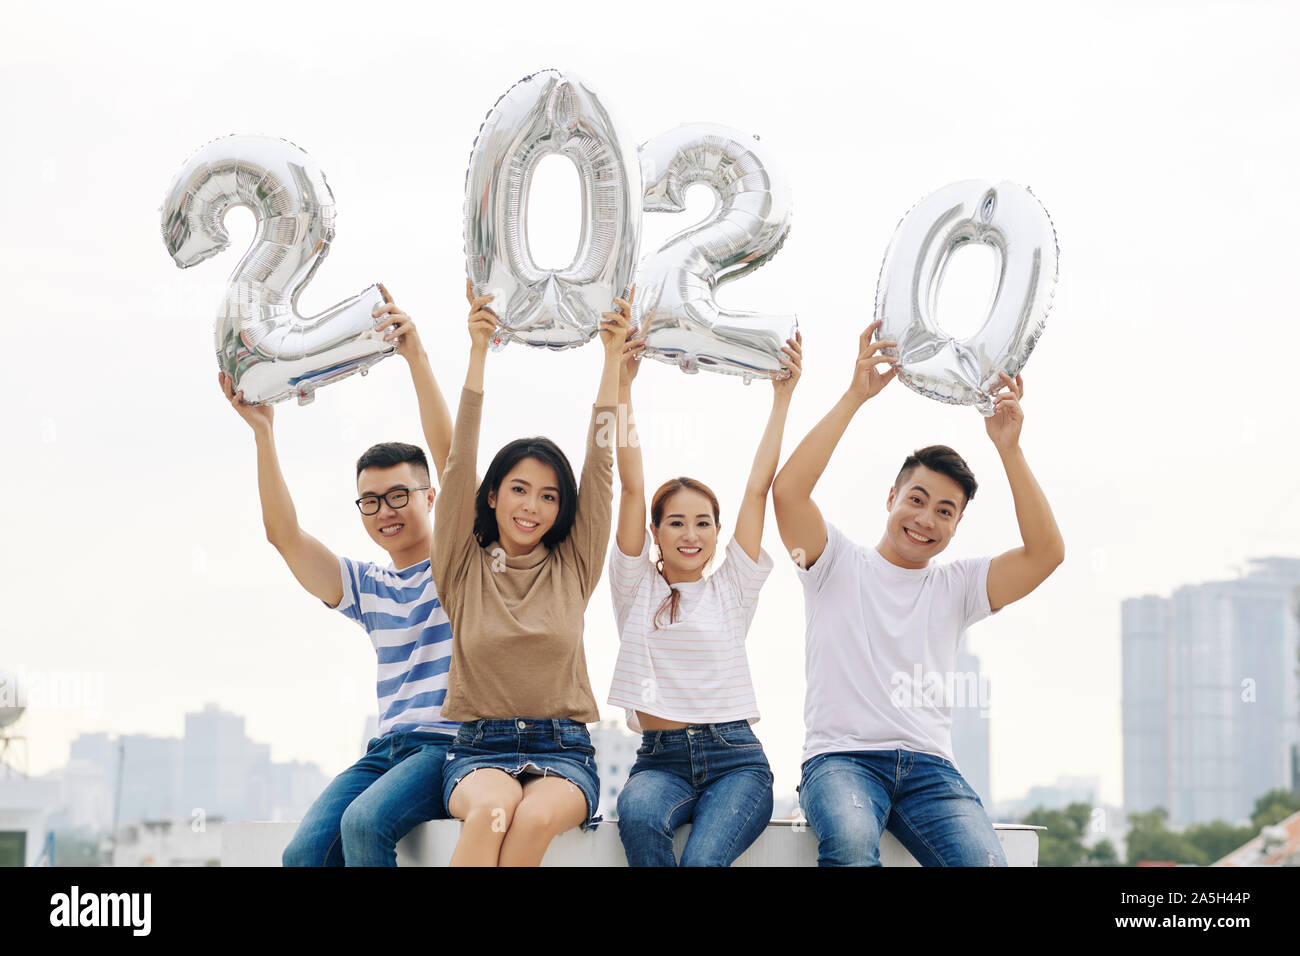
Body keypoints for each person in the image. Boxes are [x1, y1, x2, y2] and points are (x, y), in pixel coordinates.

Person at [772, 321, 1065, 867]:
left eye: (945, 511)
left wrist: (1010, 449)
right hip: (842, 762)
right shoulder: (834, 562)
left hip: (930, 769)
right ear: (892, 497)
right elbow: (787, 493)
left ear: (956, 525)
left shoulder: (955, 587)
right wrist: (855, 396)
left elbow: (1046, 553)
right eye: (918, 499)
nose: (926, 519)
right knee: (853, 844)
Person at [221, 285, 459, 867]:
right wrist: (263, 434)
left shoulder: (465, 560)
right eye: (370, 501)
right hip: (385, 751)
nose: (386, 511)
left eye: (400, 494)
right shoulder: (369, 587)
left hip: (449, 747)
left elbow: (456, 458)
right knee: (302, 855)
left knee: (365, 824)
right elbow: (286, 537)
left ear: (431, 496)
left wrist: (416, 357)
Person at [428, 279, 630, 867]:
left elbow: (599, 469)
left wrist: (612, 360)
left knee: (534, 817)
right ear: (491, 496)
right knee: (494, 812)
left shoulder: (572, 564)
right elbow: (459, 459)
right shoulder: (462, 565)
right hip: (479, 750)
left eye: (547, 496)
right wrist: (477, 352)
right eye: (519, 489)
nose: (531, 506)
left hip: (563, 749)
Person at [608, 327, 803, 866]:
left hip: (735, 761)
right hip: (659, 763)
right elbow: (629, 485)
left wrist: (781, 398)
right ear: (655, 533)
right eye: (675, 523)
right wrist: (623, 385)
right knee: (641, 821)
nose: (689, 534)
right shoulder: (634, 586)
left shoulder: (732, 588)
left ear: (718, 534)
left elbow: (757, 487)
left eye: (702, 524)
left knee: (701, 862)